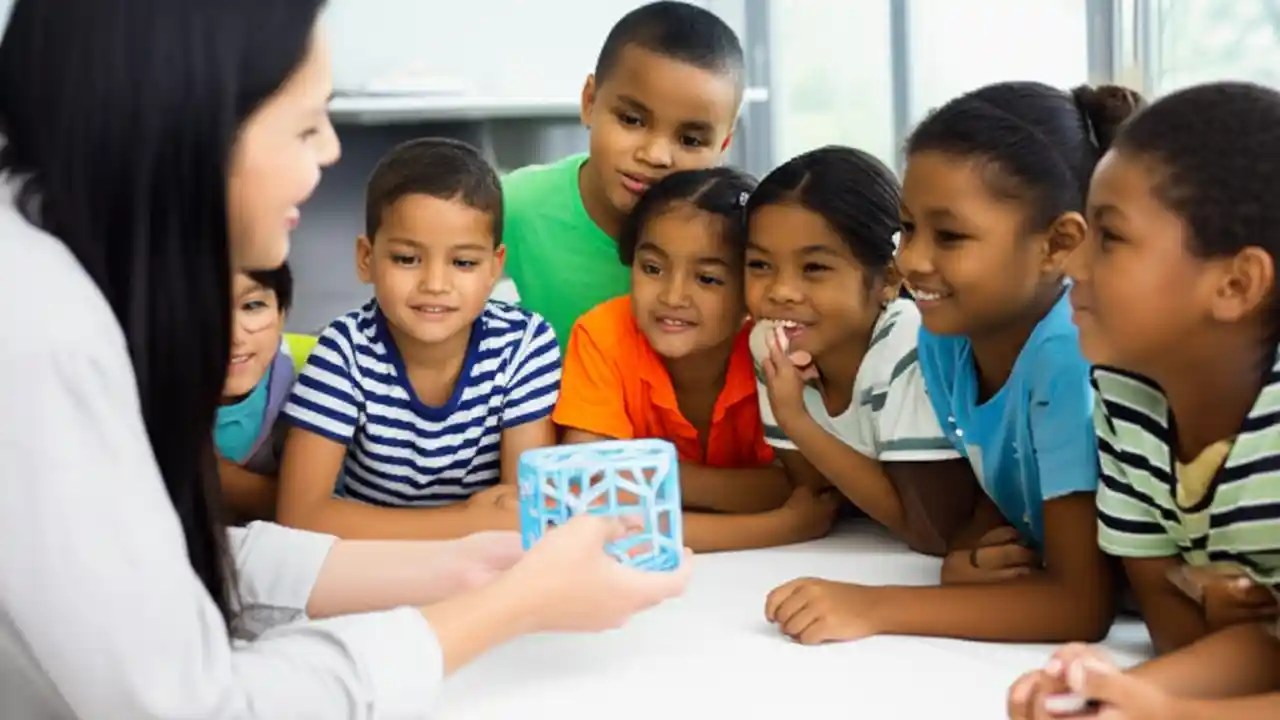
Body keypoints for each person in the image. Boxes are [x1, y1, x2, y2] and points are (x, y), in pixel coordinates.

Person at [0, 2, 690, 718]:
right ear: (193, 126)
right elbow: (197, 707)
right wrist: (512, 604)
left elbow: (161, 565)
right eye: (306, 124)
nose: (330, 150)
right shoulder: (39, 337)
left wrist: (459, 565)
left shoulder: (56, 269)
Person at [765, 81, 1140, 645]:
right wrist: (972, 555)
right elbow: (1008, 486)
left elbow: (1080, 606)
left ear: (1057, 245)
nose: (912, 260)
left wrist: (874, 607)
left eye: (951, 236)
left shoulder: (1069, 353)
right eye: (908, 227)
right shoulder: (946, 342)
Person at [1006, 81, 1280, 718]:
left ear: (1236, 284)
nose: (1071, 263)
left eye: (1110, 237)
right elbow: (1195, 631)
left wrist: (1164, 710)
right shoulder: (1127, 398)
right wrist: (1113, 694)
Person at [278, 138, 560, 540]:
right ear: (366, 259)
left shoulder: (525, 345)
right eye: (407, 259)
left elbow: (521, 510)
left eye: (463, 262)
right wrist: (467, 519)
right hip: (375, 563)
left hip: (481, 557)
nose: (434, 284)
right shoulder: (344, 350)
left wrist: (480, 528)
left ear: (494, 267)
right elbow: (300, 515)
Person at [554, 167, 839, 551]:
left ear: (751, 289)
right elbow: (589, 498)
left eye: (707, 279)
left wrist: (652, 477)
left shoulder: (778, 350)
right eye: (652, 269)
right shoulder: (602, 335)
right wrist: (781, 527)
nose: (672, 296)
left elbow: (800, 487)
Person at [745, 145, 977, 556]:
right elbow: (818, 494)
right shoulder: (772, 342)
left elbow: (933, 533)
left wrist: (796, 420)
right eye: (760, 265)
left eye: (814, 268)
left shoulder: (910, 344)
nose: (779, 292)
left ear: (888, 279)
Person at [501, 0, 745, 347]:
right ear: (589, 101)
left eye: (690, 140)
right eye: (632, 120)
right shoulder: (510, 207)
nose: (655, 155)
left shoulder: (741, 236)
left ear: (723, 146)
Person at [217, 264, 296, 523]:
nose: (234, 337)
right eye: (205, 309)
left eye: (252, 306)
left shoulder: (301, 396)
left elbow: (308, 509)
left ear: (282, 315)